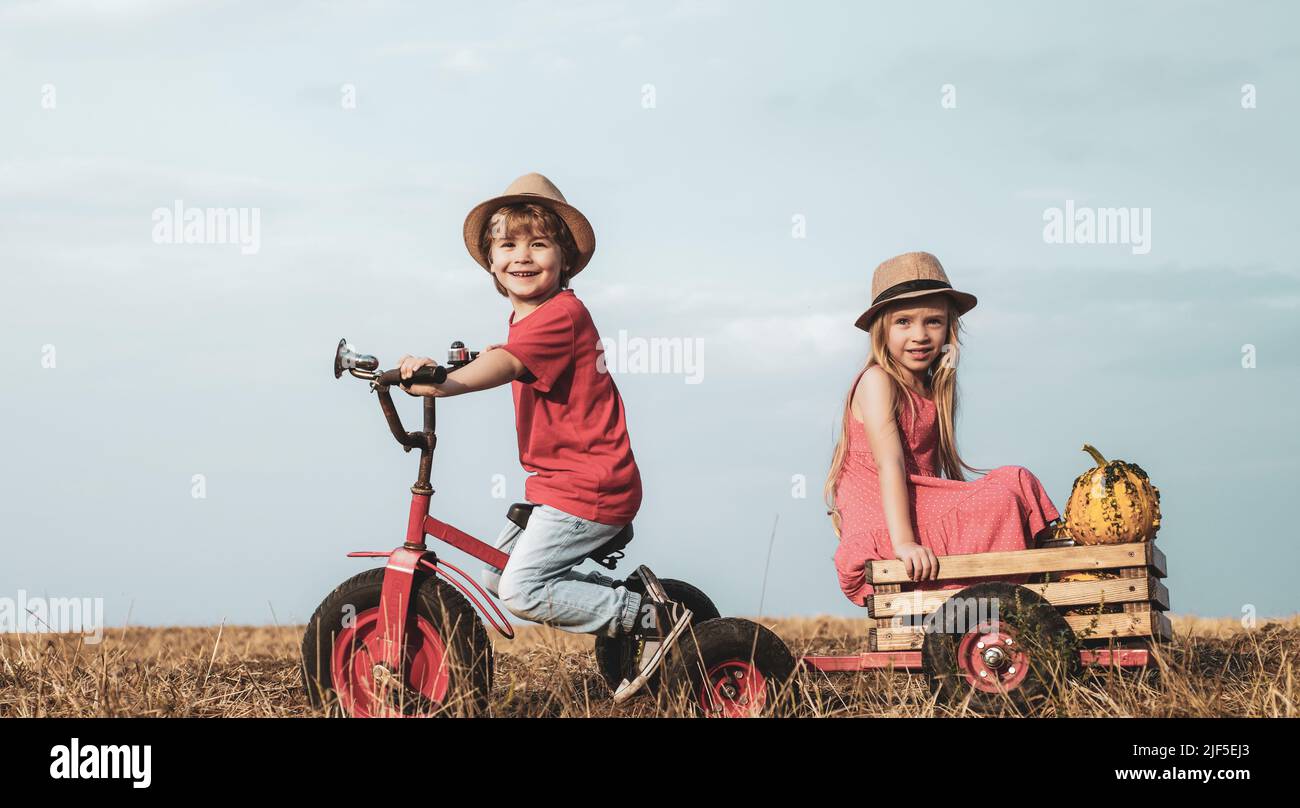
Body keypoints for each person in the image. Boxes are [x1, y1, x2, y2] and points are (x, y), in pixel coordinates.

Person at [396, 173, 690, 702]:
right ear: (491, 262)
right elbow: (505, 354)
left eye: (538, 243)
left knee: (521, 589)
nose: (522, 256)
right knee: (495, 573)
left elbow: (507, 363)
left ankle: (651, 618)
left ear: (565, 258)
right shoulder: (528, 318)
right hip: (558, 483)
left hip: (590, 486)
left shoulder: (561, 315)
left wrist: (446, 381)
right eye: (508, 245)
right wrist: (442, 369)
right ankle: (635, 604)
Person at [824, 251, 1065, 605]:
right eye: (904, 322)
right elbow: (889, 466)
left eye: (933, 322)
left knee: (1017, 479)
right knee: (1000, 501)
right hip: (887, 521)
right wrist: (905, 542)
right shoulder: (878, 381)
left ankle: (1060, 575)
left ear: (949, 327)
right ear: (882, 329)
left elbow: (932, 475)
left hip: (917, 506)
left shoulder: (932, 389)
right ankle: (1012, 593)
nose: (919, 335)